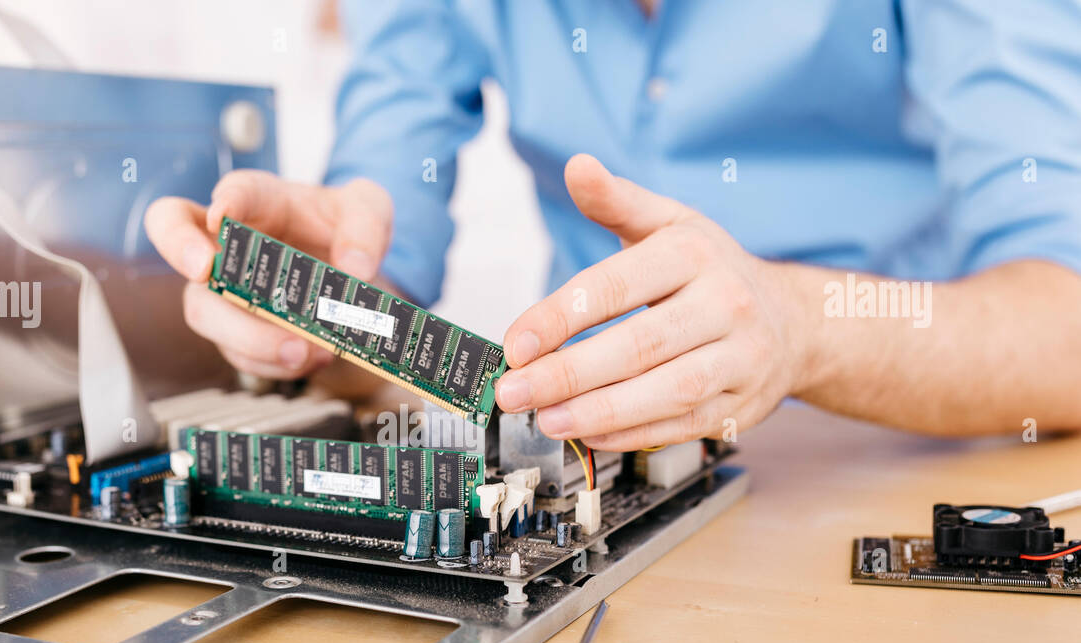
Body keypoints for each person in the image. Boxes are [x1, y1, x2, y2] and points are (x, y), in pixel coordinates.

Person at [145, 0, 1081, 449]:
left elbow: (1066, 326)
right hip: (596, 481)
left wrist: (800, 328)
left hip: (903, 464)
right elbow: (376, 267)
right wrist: (321, 307)